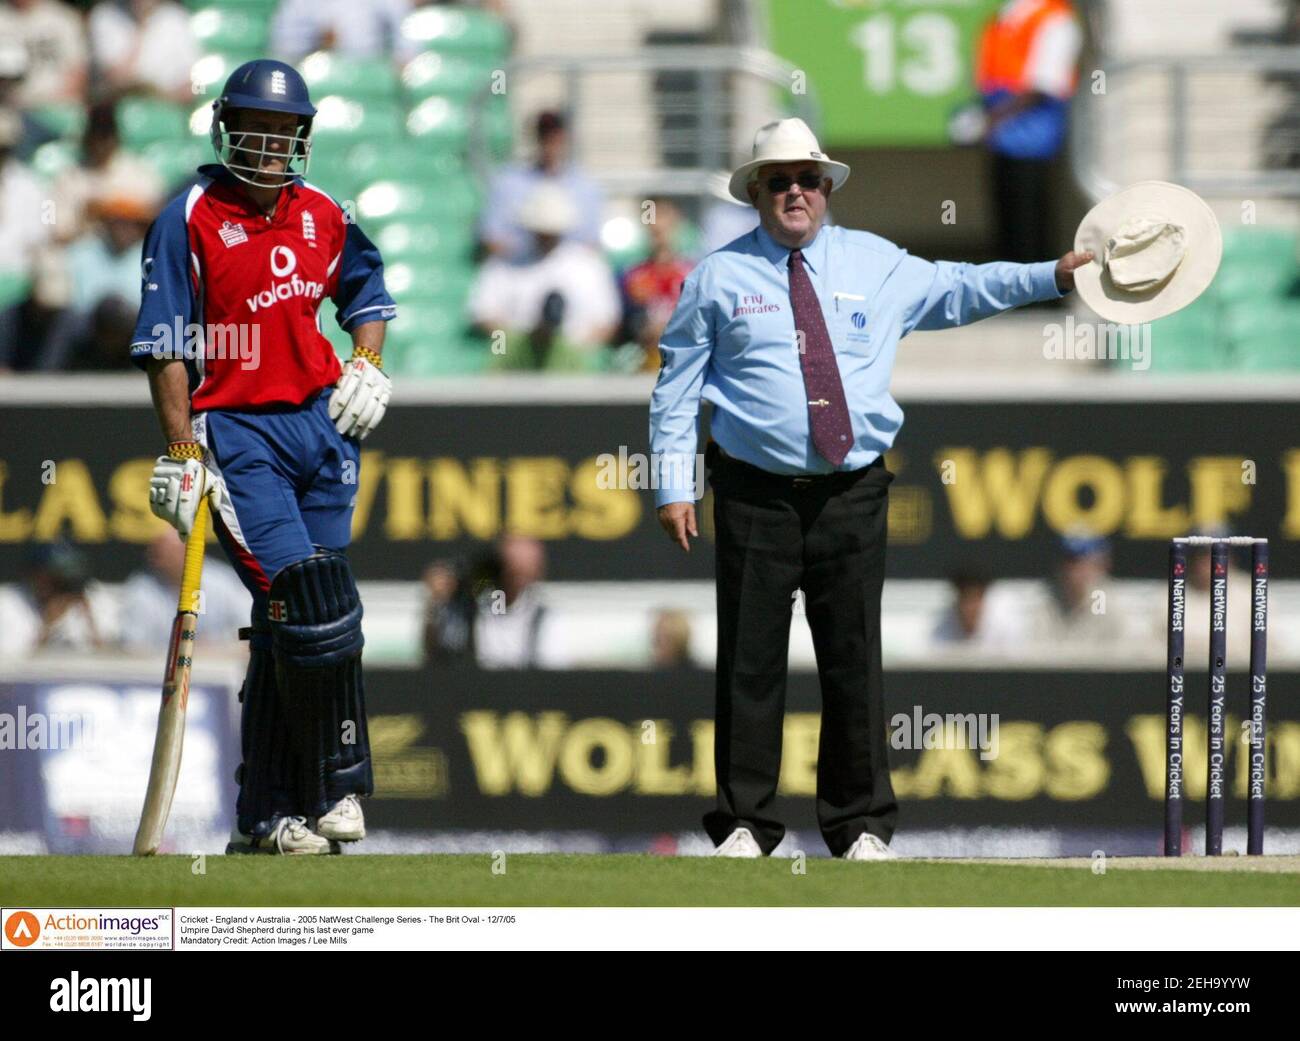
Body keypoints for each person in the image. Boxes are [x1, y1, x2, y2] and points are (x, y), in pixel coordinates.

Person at [649, 118, 1091, 860]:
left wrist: (1053, 274)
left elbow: (963, 287)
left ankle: (858, 825)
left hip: (852, 488)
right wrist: (671, 481)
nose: (796, 191)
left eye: (809, 179)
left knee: (852, 656)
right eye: (781, 179)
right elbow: (675, 385)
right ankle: (745, 827)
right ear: (757, 190)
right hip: (752, 488)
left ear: (826, 189)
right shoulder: (718, 277)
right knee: (748, 660)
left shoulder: (877, 262)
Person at [130, 59, 396, 856]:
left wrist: (368, 362)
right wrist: (181, 448)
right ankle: (338, 782)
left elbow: (369, 294)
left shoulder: (322, 213)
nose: (270, 142)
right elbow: (166, 346)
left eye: (285, 130)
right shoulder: (188, 216)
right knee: (307, 603)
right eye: (256, 126)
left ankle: (267, 815)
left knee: (306, 617)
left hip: (321, 427)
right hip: (237, 432)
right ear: (225, 127)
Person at [469, 181, 620, 369]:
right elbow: (484, 313)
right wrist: (516, 343)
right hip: (518, 363)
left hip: (574, 365)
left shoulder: (589, 265)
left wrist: (571, 351)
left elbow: (606, 322)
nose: (545, 236)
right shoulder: (505, 263)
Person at [975, 0, 1082, 264]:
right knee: (1007, 205)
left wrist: (996, 116)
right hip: (1005, 124)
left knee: (1029, 206)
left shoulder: (1054, 17)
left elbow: (1044, 82)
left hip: (1031, 124)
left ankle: (1040, 290)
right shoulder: (1010, 13)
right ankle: (1011, 281)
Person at [478, 110, 604, 262]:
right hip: (520, 269)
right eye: (544, 135)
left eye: (555, 136)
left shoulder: (585, 185)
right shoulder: (508, 181)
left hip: (568, 271)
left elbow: (592, 244)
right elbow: (492, 240)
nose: (550, 143)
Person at [120, 530, 251, 653]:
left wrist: (218, 648)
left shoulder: (222, 581)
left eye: (172, 552)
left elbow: (250, 631)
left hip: (220, 666)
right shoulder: (142, 590)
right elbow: (132, 647)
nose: (163, 560)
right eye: (160, 554)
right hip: (163, 669)